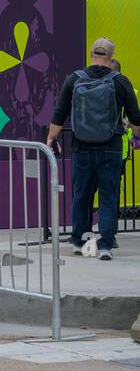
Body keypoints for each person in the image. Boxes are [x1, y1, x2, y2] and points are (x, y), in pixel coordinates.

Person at [47, 37, 140, 261]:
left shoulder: (74, 80)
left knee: (82, 194)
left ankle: (79, 240)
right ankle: (105, 244)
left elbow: (60, 113)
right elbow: (135, 118)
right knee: (108, 197)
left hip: (82, 147)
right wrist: (136, 136)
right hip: (111, 148)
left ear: (91, 54)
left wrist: (52, 138)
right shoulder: (121, 81)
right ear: (110, 57)